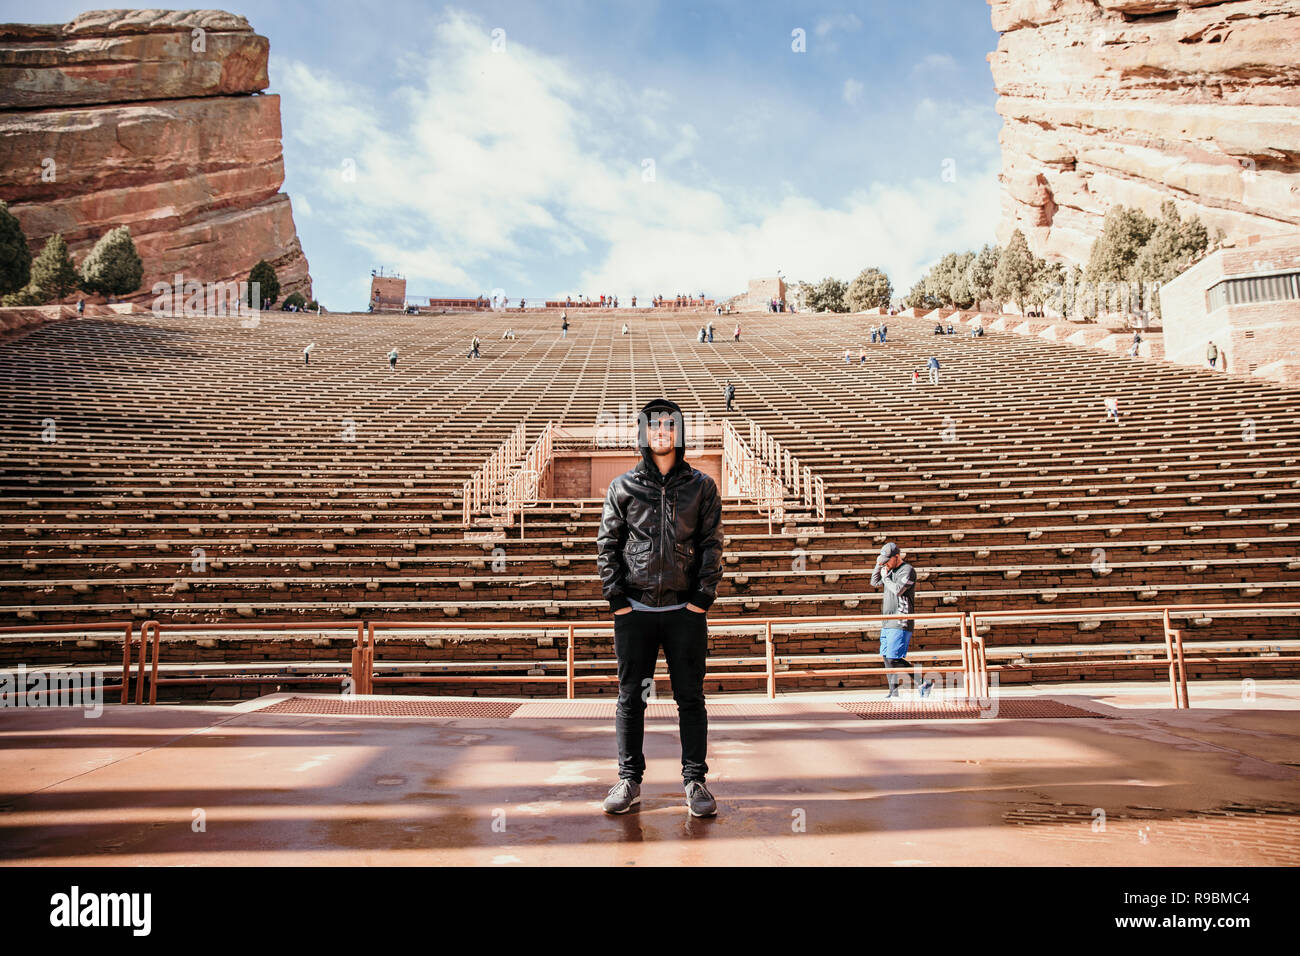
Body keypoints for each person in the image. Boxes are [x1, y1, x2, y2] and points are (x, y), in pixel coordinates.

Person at [597, 398, 724, 818]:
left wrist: (701, 600)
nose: (662, 432)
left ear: (680, 432)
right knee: (631, 698)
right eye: (654, 426)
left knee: (690, 697)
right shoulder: (623, 486)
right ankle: (629, 779)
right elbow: (608, 545)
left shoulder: (701, 486)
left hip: (684, 612)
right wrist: (617, 600)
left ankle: (695, 781)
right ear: (643, 433)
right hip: (635, 612)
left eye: (670, 425)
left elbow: (711, 545)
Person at [870, 542, 932, 699]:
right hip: (887, 619)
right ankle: (893, 692)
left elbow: (898, 590)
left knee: (893, 657)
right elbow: (874, 582)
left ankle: (923, 683)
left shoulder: (908, 570)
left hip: (901, 619)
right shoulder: (887, 569)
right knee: (885, 656)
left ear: (897, 557)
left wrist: (886, 577)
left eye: (887, 560)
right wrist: (879, 565)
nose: (885, 563)